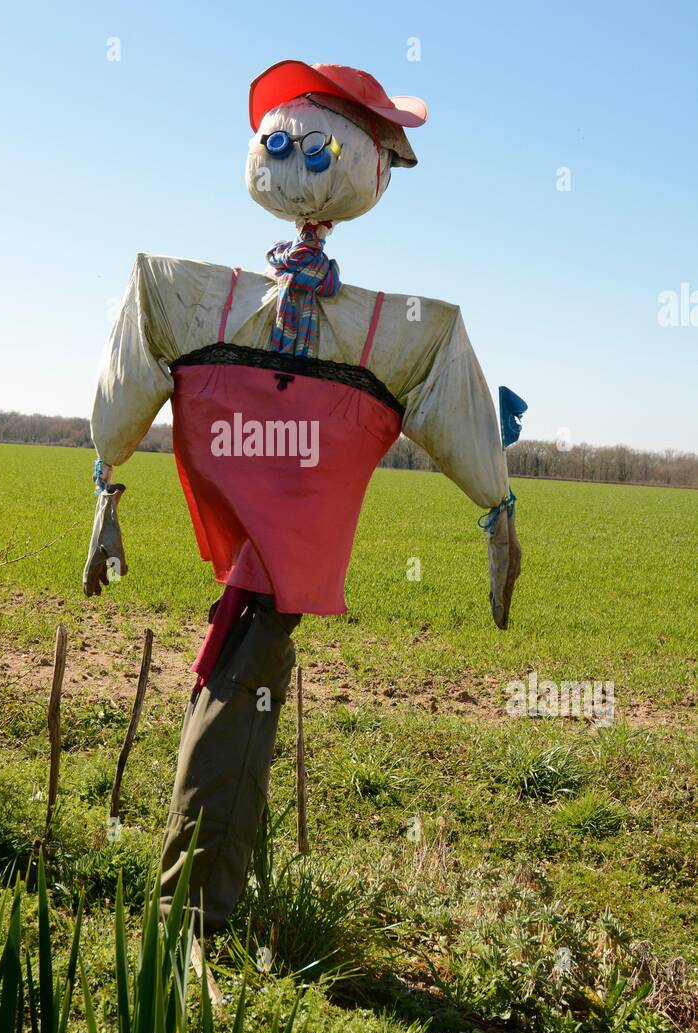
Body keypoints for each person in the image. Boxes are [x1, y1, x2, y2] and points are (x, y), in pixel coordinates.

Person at [83, 59, 522, 931]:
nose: (293, 159)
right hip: (265, 537)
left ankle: (197, 901)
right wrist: (496, 509)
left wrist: (494, 507)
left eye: (312, 146)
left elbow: (446, 379)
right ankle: (195, 914)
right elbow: (443, 375)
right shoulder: (314, 320)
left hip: (273, 531)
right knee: (245, 673)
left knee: (246, 661)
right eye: (279, 144)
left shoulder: (242, 308)